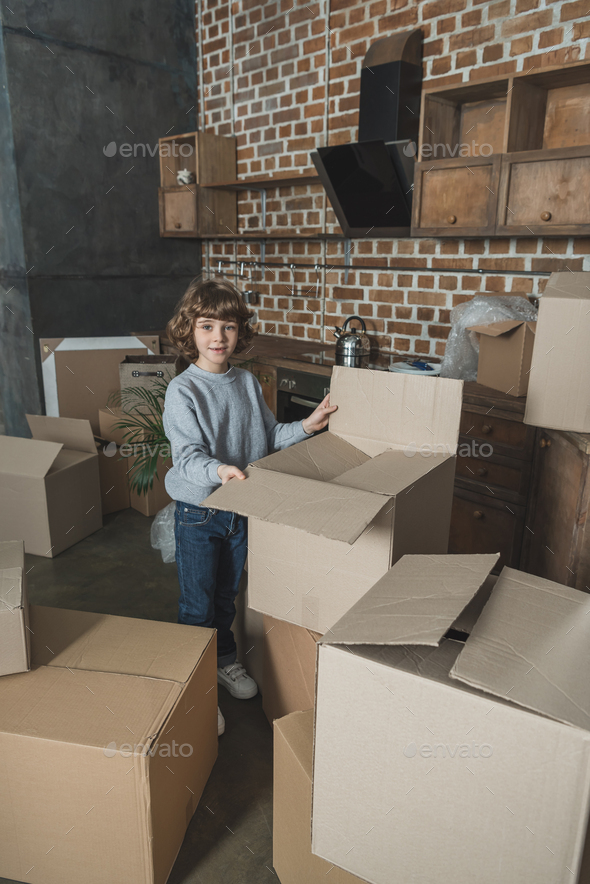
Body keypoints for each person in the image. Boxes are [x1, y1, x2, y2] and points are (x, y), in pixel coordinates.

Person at [163, 276, 337, 736]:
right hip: (200, 512)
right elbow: (188, 457)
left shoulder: (244, 382)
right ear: (189, 331)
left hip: (241, 510)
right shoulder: (183, 391)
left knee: (225, 598)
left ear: (240, 332)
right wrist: (220, 471)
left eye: (228, 327)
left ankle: (223, 663)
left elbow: (268, 437)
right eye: (206, 326)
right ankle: (194, 692)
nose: (218, 337)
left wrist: (308, 425)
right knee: (197, 605)